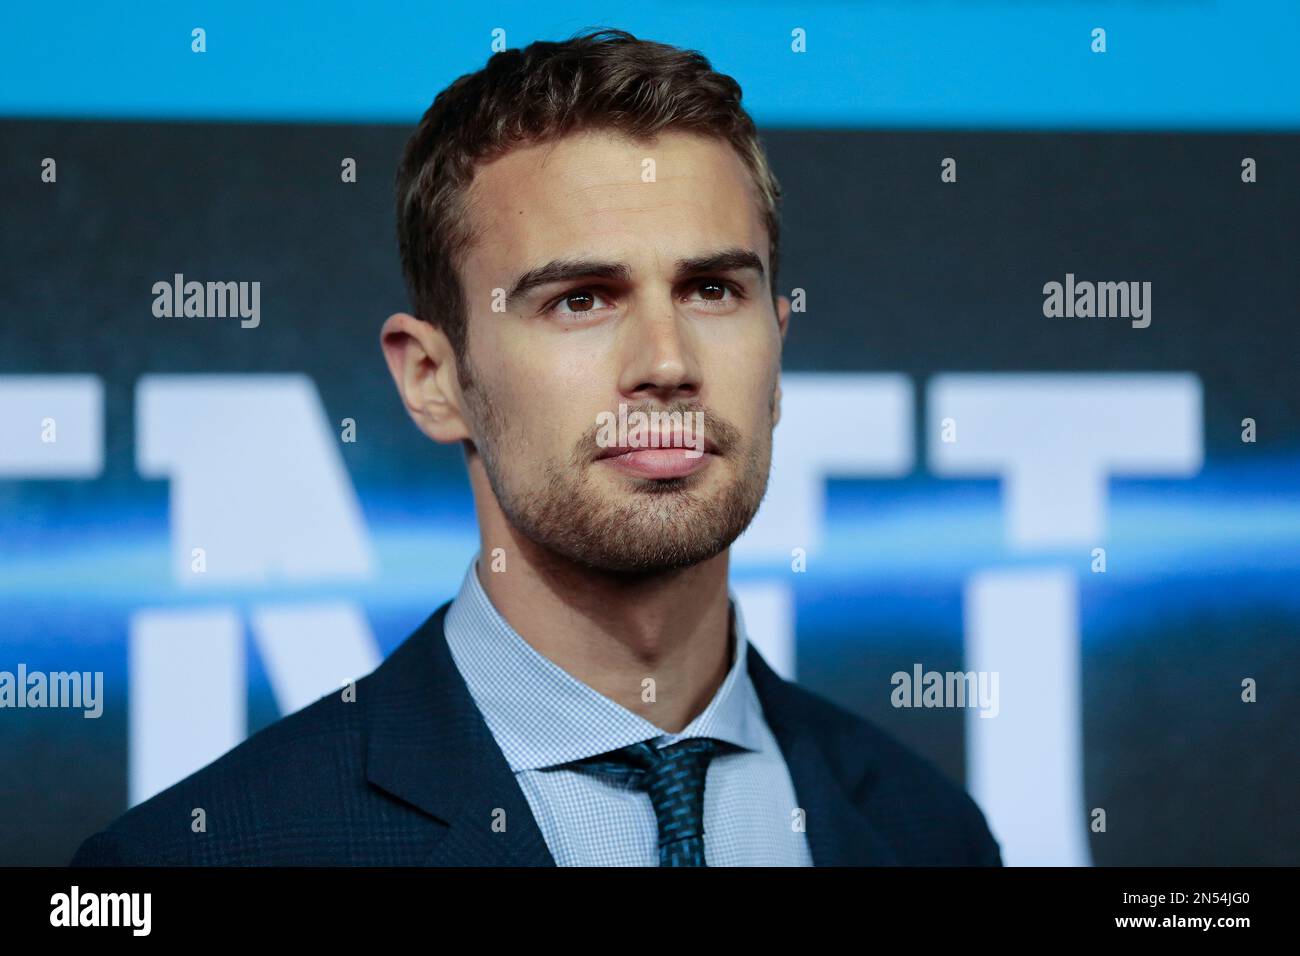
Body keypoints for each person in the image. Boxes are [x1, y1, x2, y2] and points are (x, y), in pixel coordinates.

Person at [72, 27, 1001, 867]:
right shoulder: (208, 857)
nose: (668, 363)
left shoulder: (927, 833)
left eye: (713, 290)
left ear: (779, 346)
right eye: (581, 299)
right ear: (433, 378)